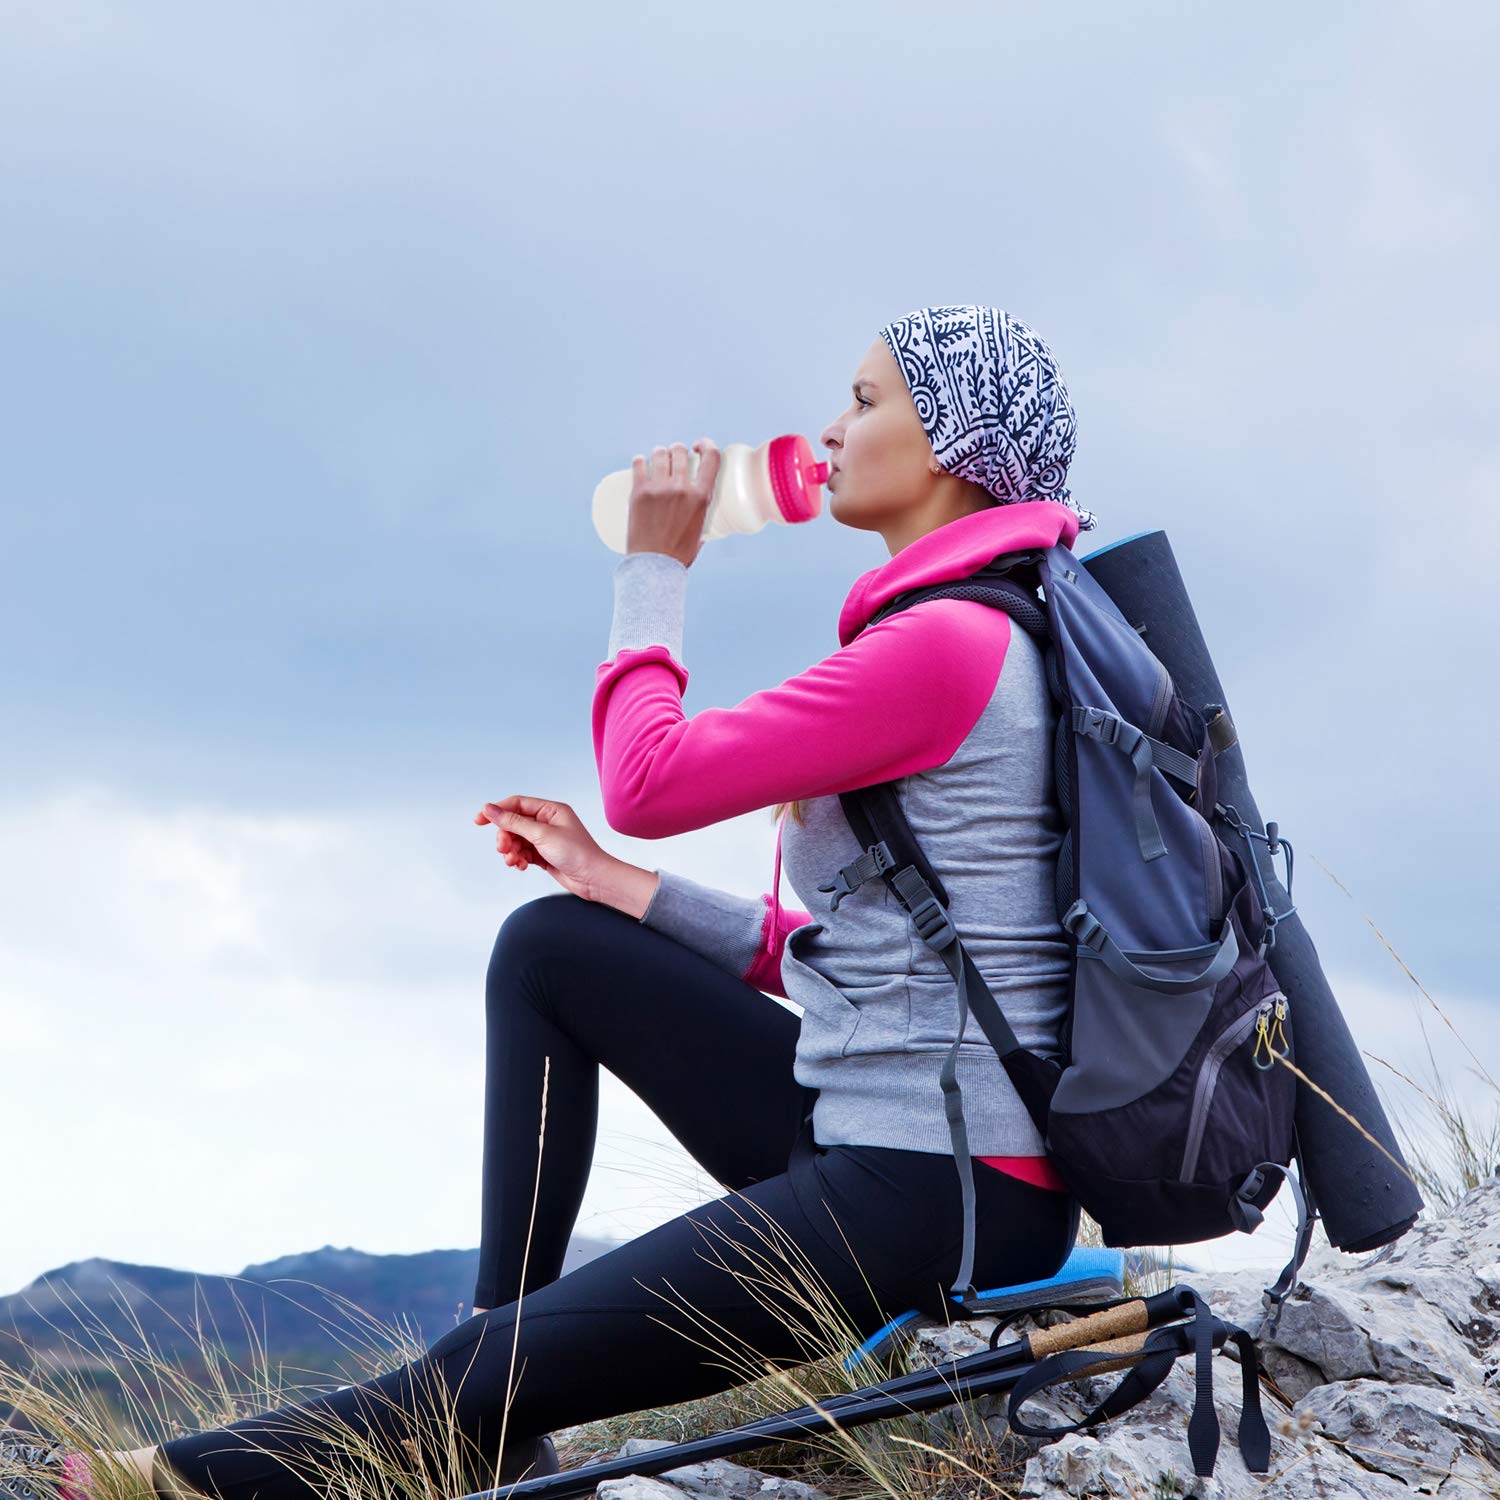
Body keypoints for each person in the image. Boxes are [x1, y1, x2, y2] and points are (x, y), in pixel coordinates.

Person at [4, 305, 1095, 1500]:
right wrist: (615, 888)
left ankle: (144, 1484)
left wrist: (654, 568)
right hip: (888, 1136)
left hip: (937, 1193)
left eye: (866, 401)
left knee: (480, 1369)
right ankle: (505, 1391)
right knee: (554, 947)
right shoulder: (995, 630)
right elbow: (861, 959)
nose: (831, 430)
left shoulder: (943, 648)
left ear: (949, 443)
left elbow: (649, 777)